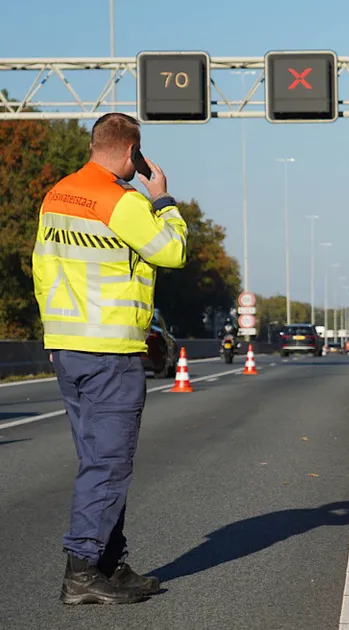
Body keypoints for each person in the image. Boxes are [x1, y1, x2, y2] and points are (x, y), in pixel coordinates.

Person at [32, 112, 188, 605]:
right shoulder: (121, 201)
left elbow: (42, 266)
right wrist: (162, 198)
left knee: (96, 460)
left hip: (69, 348)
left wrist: (52, 337)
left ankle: (107, 564)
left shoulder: (57, 194)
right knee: (109, 465)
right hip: (110, 351)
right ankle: (82, 573)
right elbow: (173, 252)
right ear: (130, 154)